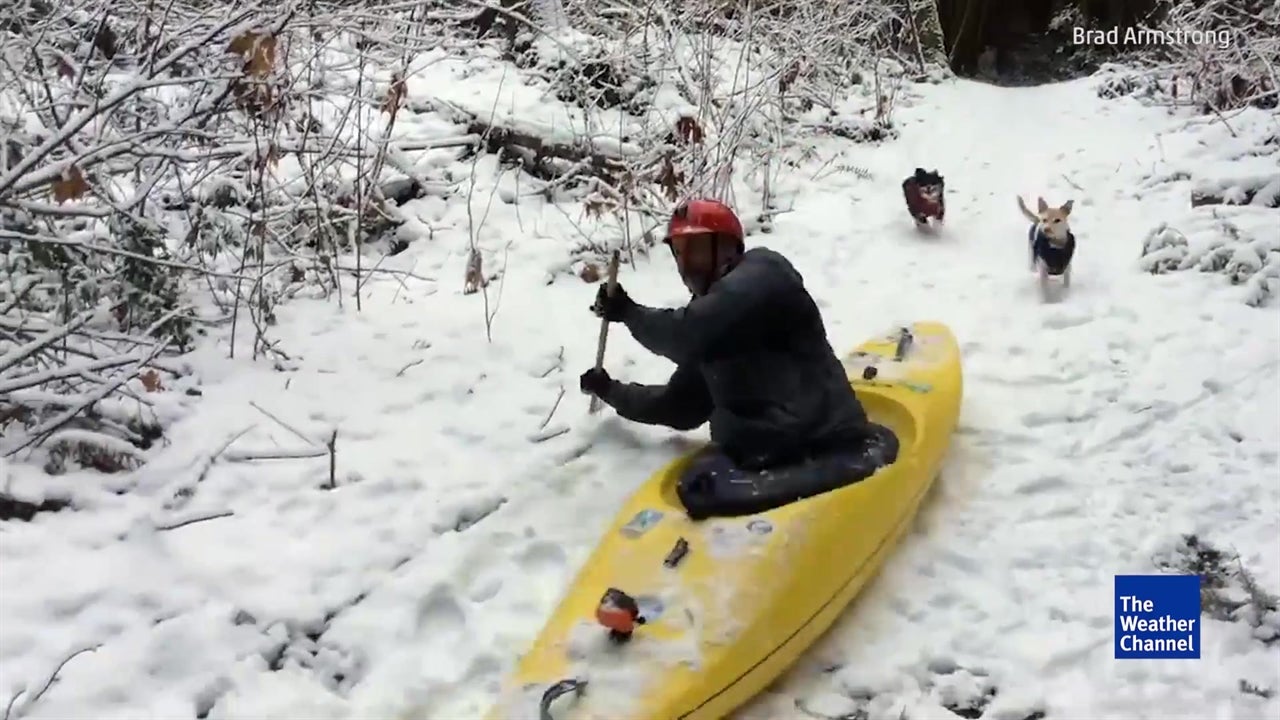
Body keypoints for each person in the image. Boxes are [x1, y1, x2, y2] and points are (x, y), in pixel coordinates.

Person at [578, 198, 879, 473]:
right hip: (765, 461)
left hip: (831, 444)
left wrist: (629, 312)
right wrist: (609, 390)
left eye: (695, 250)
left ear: (726, 248)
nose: (686, 265)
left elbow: (687, 333)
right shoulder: (713, 325)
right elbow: (678, 406)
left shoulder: (763, 272)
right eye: (680, 253)